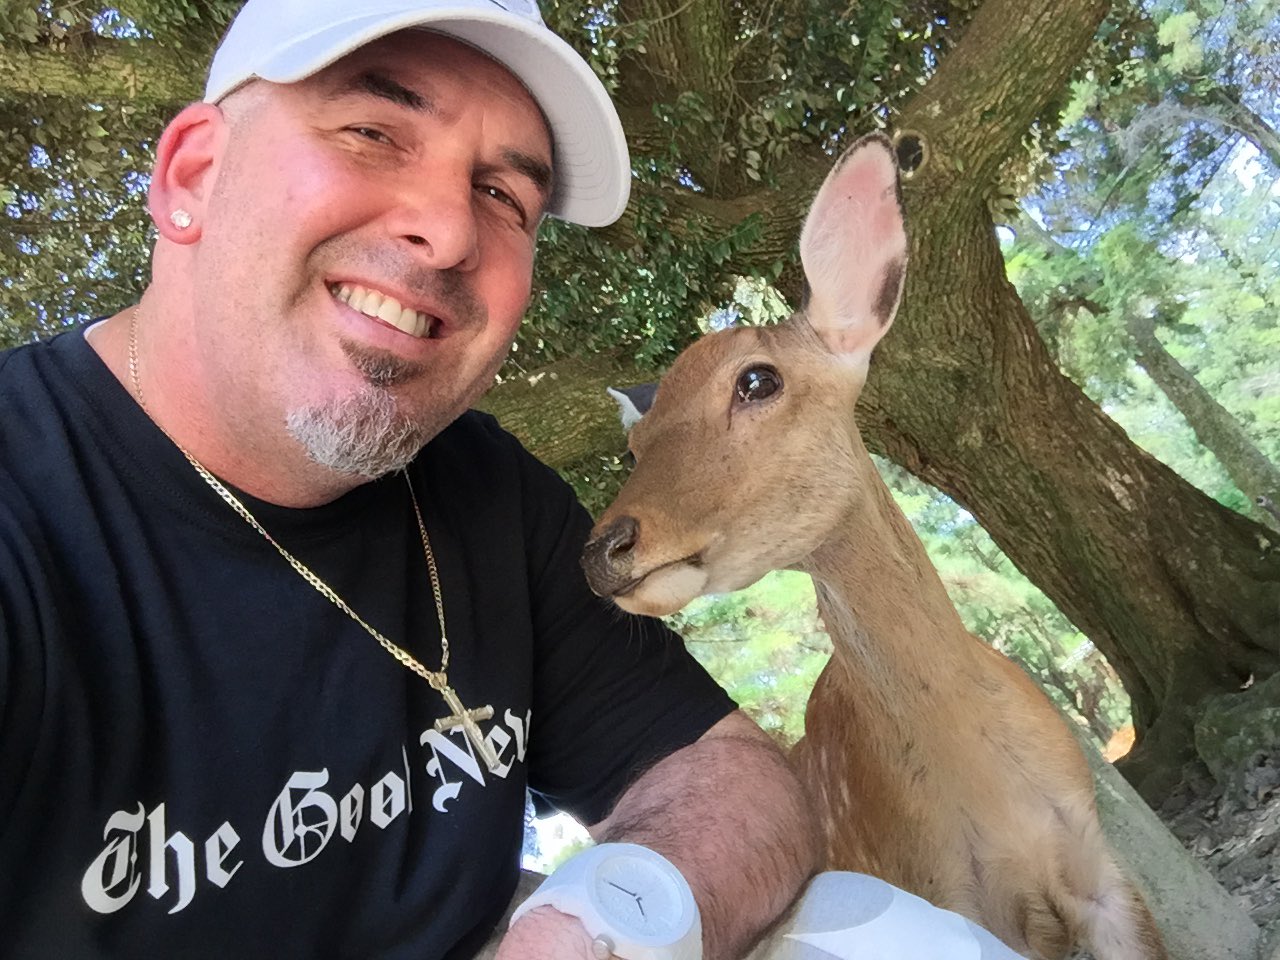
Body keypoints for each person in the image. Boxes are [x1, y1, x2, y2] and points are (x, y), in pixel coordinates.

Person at [0, 1, 821, 957]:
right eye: (372, 132)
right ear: (193, 173)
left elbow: (727, 775)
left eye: (504, 196)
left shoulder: (486, 492)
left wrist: (593, 930)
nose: (448, 231)